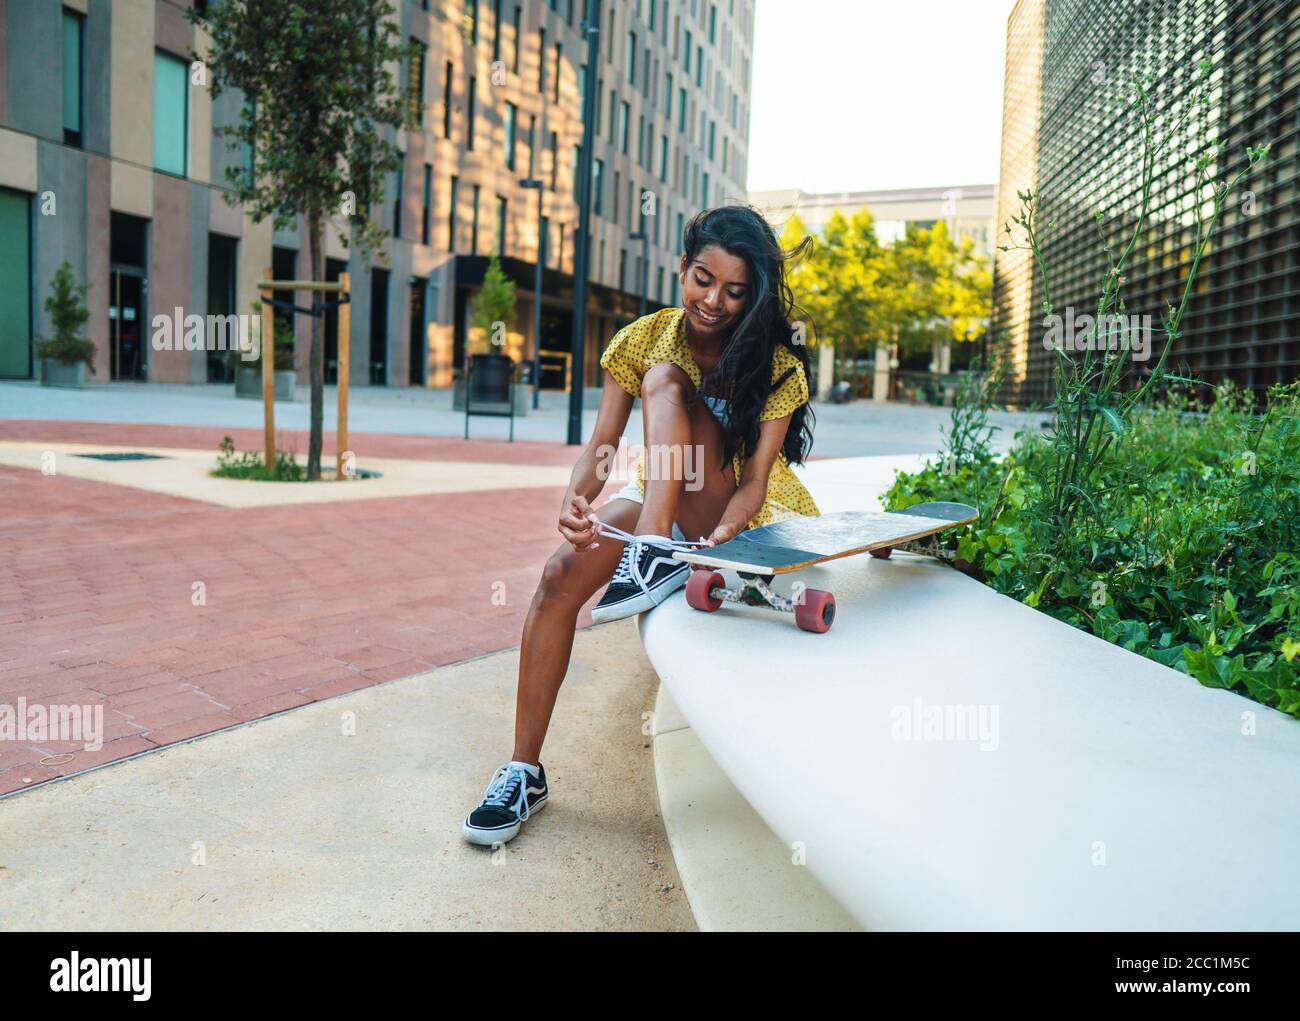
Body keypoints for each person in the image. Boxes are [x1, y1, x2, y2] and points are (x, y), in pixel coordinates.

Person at [462, 205, 820, 845]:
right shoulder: (638, 338)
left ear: (753, 295)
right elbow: (603, 444)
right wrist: (575, 499)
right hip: (662, 495)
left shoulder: (776, 364)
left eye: (735, 291)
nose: (714, 301)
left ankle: (655, 551)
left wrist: (715, 542)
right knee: (557, 576)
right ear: (681, 269)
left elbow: (756, 483)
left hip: (732, 510)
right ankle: (523, 770)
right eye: (703, 279)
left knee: (666, 383)